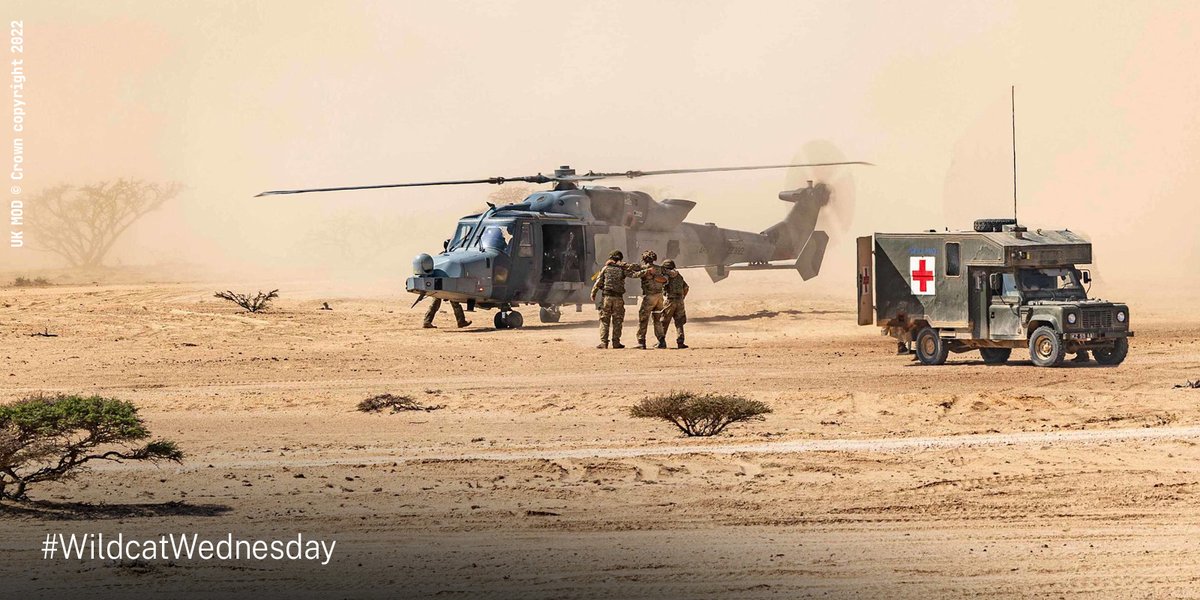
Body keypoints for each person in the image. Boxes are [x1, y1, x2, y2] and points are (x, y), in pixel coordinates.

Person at [590, 250, 635, 349]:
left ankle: (604, 342)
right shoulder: (622, 269)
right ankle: (616, 342)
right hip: (618, 298)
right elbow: (634, 275)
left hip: (606, 298)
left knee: (604, 320)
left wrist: (593, 293)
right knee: (617, 321)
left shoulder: (605, 269)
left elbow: (598, 282)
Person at [631, 250, 668, 349]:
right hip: (660, 297)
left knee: (643, 319)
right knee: (657, 320)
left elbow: (633, 275)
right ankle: (661, 341)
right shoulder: (660, 269)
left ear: (644, 259)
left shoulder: (644, 268)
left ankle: (641, 342)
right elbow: (666, 279)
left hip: (650, 297)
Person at [660, 259, 689, 349]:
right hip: (680, 301)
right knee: (679, 322)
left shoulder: (666, 276)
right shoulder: (679, 276)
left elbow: (662, 284)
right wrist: (682, 297)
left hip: (670, 301)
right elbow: (686, 287)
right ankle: (680, 342)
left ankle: (661, 342)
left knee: (664, 322)